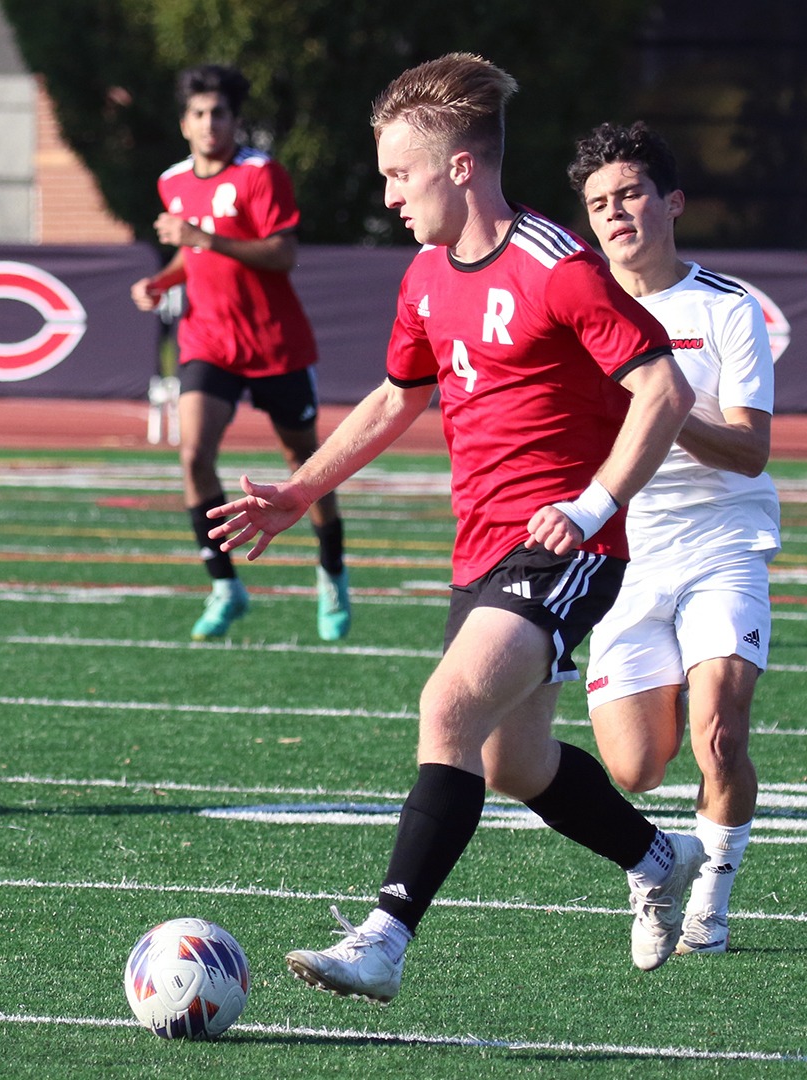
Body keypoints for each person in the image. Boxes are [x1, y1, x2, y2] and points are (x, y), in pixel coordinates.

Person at [209, 54, 703, 1003]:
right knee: (513, 762)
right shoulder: (428, 277)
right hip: (481, 553)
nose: (390, 194)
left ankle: (385, 938)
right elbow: (396, 399)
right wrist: (301, 491)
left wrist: (594, 506)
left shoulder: (559, 269)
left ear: (463, 167)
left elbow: (664, 390)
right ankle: (655, 856)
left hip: (567, 548)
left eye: (402, 174)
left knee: (446, 709)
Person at [571, 121, 778, 957]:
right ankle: (657, 862)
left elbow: (752, 446)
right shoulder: (578, 307)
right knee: (636, 770)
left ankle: (713, 908)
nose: (616, 213)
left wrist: (665, 408)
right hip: (622, 551)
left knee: (720, 732)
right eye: (598, 204)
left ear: (671, 202)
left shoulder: (727, 308)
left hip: (722, 540)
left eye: (629, 194)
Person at [129, 64, 350, 641]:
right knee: (193, 454)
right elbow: (194, 259)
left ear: (233, 119)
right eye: (198, 114)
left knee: (306, 469)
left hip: (275, 343)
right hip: (208, 341)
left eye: (219, 113)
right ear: (184, 123)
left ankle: (330, 572)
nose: (209, 123)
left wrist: (201, 238)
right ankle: (225, 585)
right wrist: (163, 281)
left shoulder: (260, 174)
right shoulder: (172, 181)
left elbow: (281, 254)